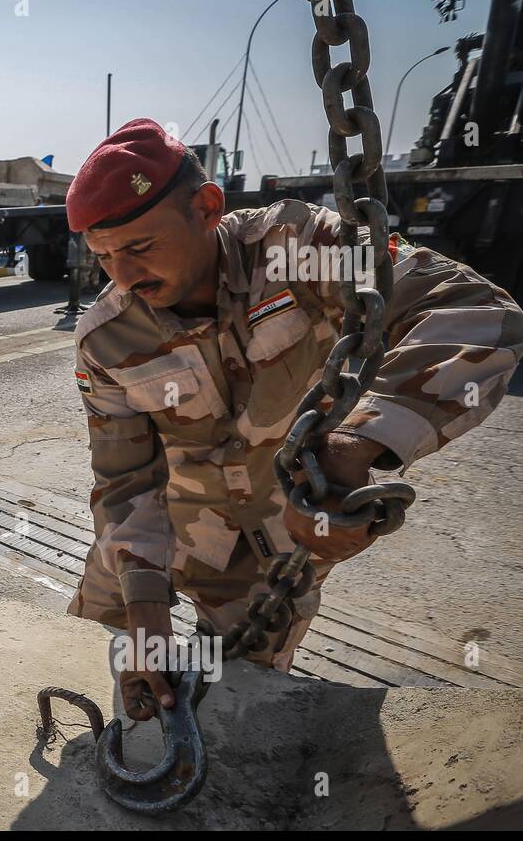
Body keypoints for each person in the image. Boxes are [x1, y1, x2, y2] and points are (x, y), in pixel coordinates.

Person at [65, 118, 523, 720]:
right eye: (103, 257)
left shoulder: (302, 250)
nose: (122, 276)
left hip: (278, 549)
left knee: (233, 709)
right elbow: (126, 481)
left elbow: (477, 313)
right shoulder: (107, 339)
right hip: (164, 532)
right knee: (91, 653)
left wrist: (354, 448)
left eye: (140, 247)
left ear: (206, 207)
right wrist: (145, 607)